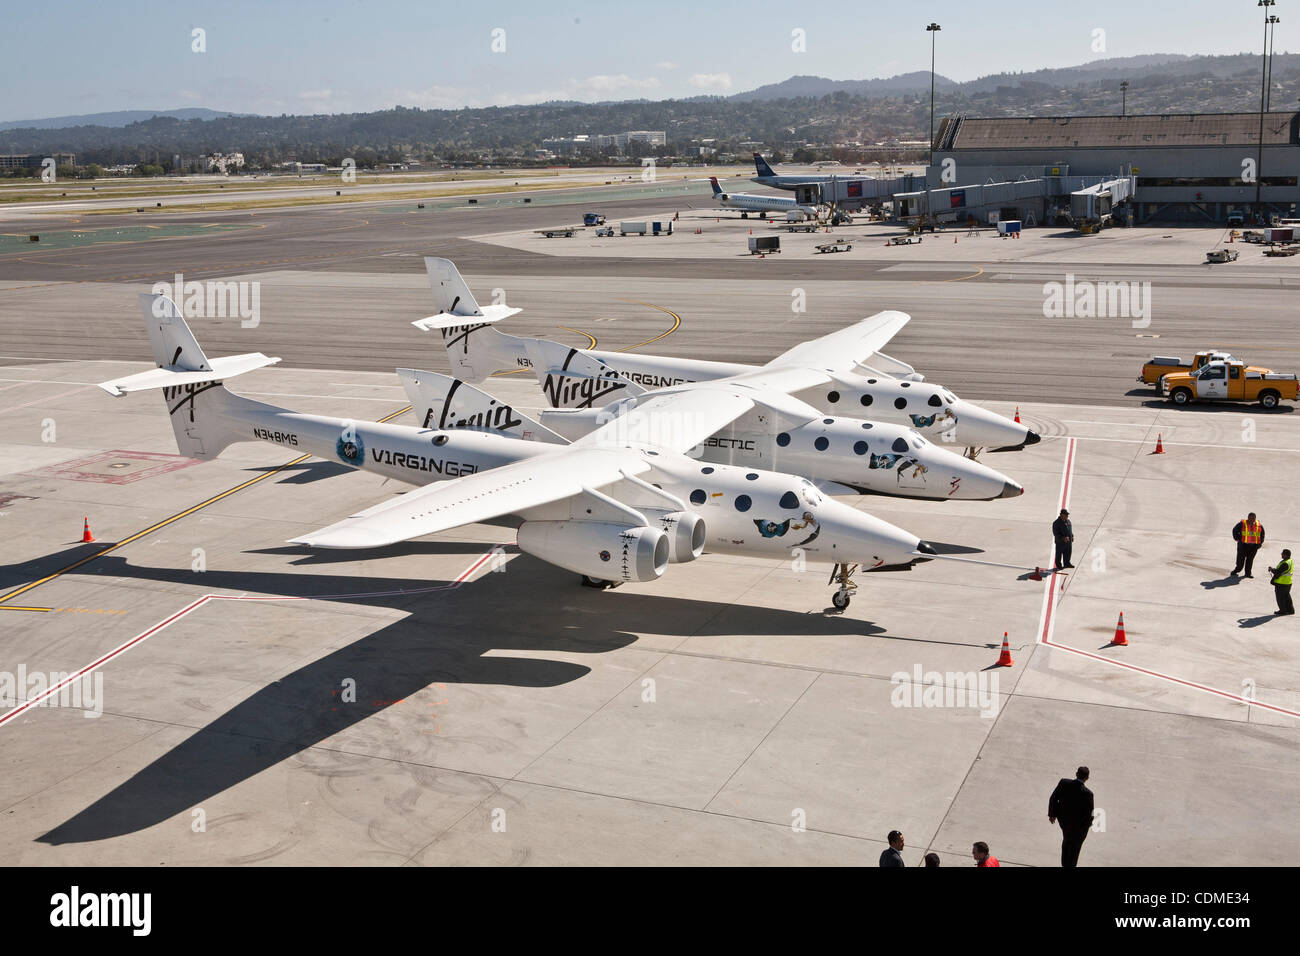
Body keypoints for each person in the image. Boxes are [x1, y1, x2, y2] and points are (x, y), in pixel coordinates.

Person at [1048, 766, 1095, 867]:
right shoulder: (1088, 794)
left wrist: (1052, 814)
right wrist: (1084, 828)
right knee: (1075, 850)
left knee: (1066, 844)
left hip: (1064, 823)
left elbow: (1053, 798)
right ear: (1087, 778)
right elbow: (1089, 815)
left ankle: (1064, 864)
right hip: (1079, 829)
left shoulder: (1064, 783)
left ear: (1076, 774)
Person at [1231, 513, 1265, 578]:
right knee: (1240, 560)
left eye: (1253, 518)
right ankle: (1237, 569)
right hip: (1243, 546)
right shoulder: (1242, 524)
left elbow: (1262, 535)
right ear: (1248, 518)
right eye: (1250, 518)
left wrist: (1259, 544)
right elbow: (1234, 530)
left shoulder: (1259, 525)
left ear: (1255, 518)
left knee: (1250, 560)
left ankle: (1248, 573)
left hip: (1253, 547)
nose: (1252, 519)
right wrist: (1237, 539)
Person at [1269, 549, 1294, 616]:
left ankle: (1283, 611)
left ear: (1285, 555)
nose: (1281, 554)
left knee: (1280, 598)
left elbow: (1277, 572)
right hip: (1288, 582)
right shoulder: (1290, 561)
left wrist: (1271, 569)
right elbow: (1280, 571)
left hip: (1282, 583)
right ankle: (1291, 610)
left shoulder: (1285, 563)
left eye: (1282, 553)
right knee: (1287, 597)